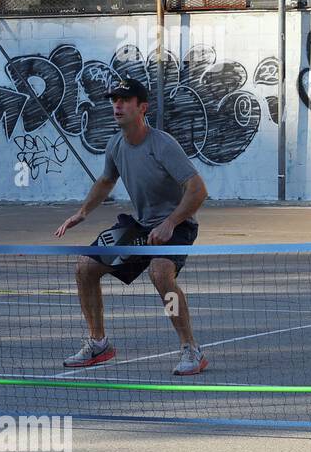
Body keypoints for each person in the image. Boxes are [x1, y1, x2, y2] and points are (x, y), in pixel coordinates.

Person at [54, 79, 210, 376]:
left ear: (142, 108)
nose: (117, 105)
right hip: (140, 225)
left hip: (177, 225)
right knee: (85, 267)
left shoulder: (162, 145)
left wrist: (170, 222)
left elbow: (198, 189)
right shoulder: (115, 144)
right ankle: (99, 343)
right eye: (114, 99)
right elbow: (106, 181)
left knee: (160, 274)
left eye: (125, 100)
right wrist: (83, 212)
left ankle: (191, 349)